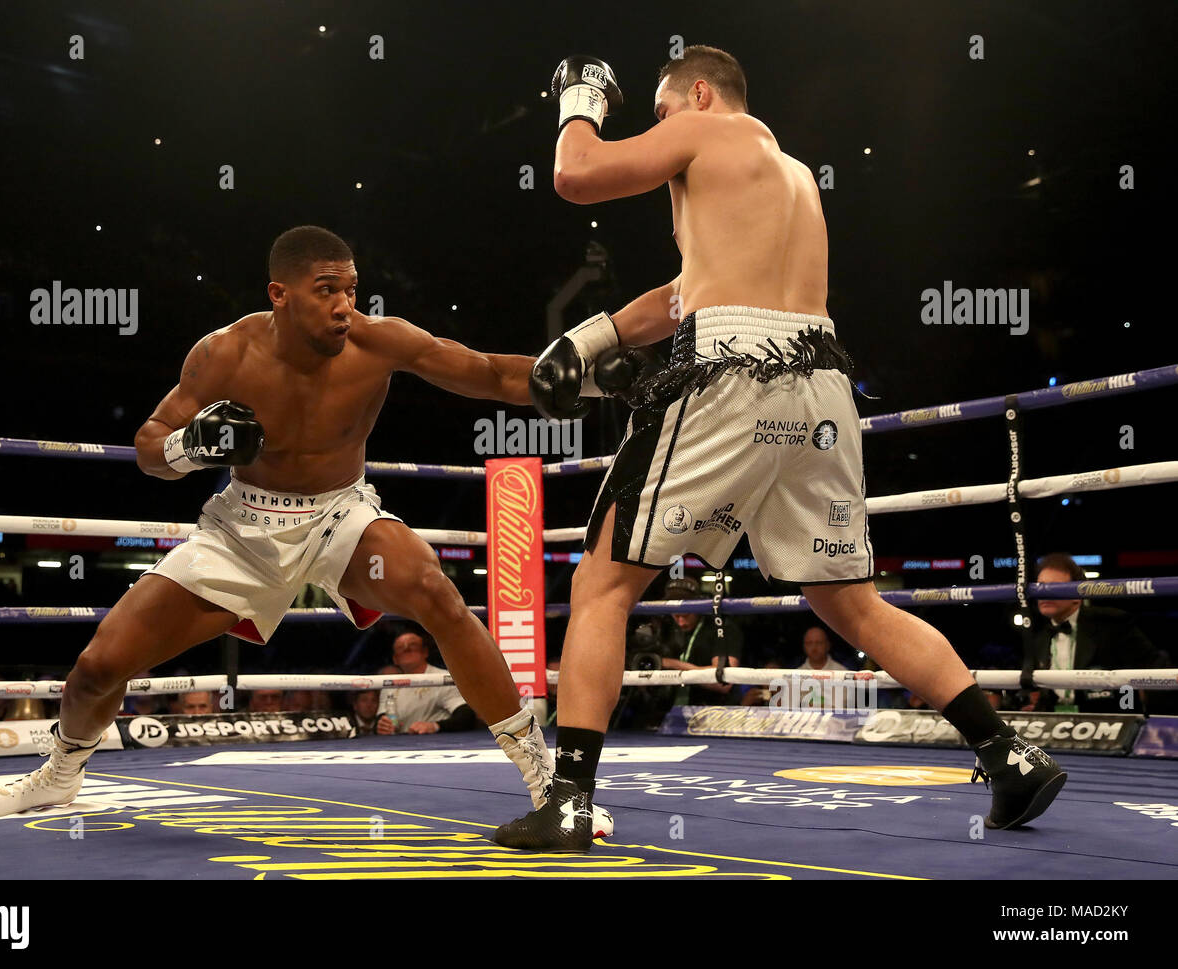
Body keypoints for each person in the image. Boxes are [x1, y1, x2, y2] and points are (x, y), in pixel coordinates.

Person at [495, 48, 1066, 851]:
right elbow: (689, 288)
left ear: (699, 93)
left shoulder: (707, 133)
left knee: (602, 582)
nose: (662, 132)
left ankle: (570, 802)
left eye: (662, 112)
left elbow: (576, 173)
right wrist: (590, 336)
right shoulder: (788, 173)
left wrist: (579, 95)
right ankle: (1007, 754)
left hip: (732, 373)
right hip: (822, 384)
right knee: (850, 602)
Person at [0, 226, 556, 819]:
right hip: (241, 530)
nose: (344, 308)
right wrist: (191, 447)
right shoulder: (225, 352)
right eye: (326, 291)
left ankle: (547, 779)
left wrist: (577, 373)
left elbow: (493, 373)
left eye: (351, 290)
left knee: (435, 590)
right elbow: (149, 446)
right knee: (97, 669)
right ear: (280, 294)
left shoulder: (381, 342)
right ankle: (60, 774)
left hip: (340, 517)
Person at [1021, 553, 1165, 713]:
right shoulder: (1039, 637)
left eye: (1054, 586)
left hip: (1111, 722)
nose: (1044, 593)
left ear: (1077, 595)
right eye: (1040, 586)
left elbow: (1154, 668)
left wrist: (1133, 714)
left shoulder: (1111, 624)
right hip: (1059, 726)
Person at [659, 577, 743, 706]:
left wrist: (672, 665)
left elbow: (723, 684)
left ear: (698, 605)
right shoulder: (665, 629)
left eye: (686, 615)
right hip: (666, 709)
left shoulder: (721, 628)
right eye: (676, 616)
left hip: (711, 710)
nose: (681, 621)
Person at [376, 629, 475, 734]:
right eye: (401, 647)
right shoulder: (390, 683)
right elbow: (381, 717)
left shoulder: (442, 678)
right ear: (395, 659)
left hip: (438, 743)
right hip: (400, 743)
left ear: (425, 652)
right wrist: (382, 726)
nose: (406, 648)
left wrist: (435, 726)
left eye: (413, 645)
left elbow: (466, 716)